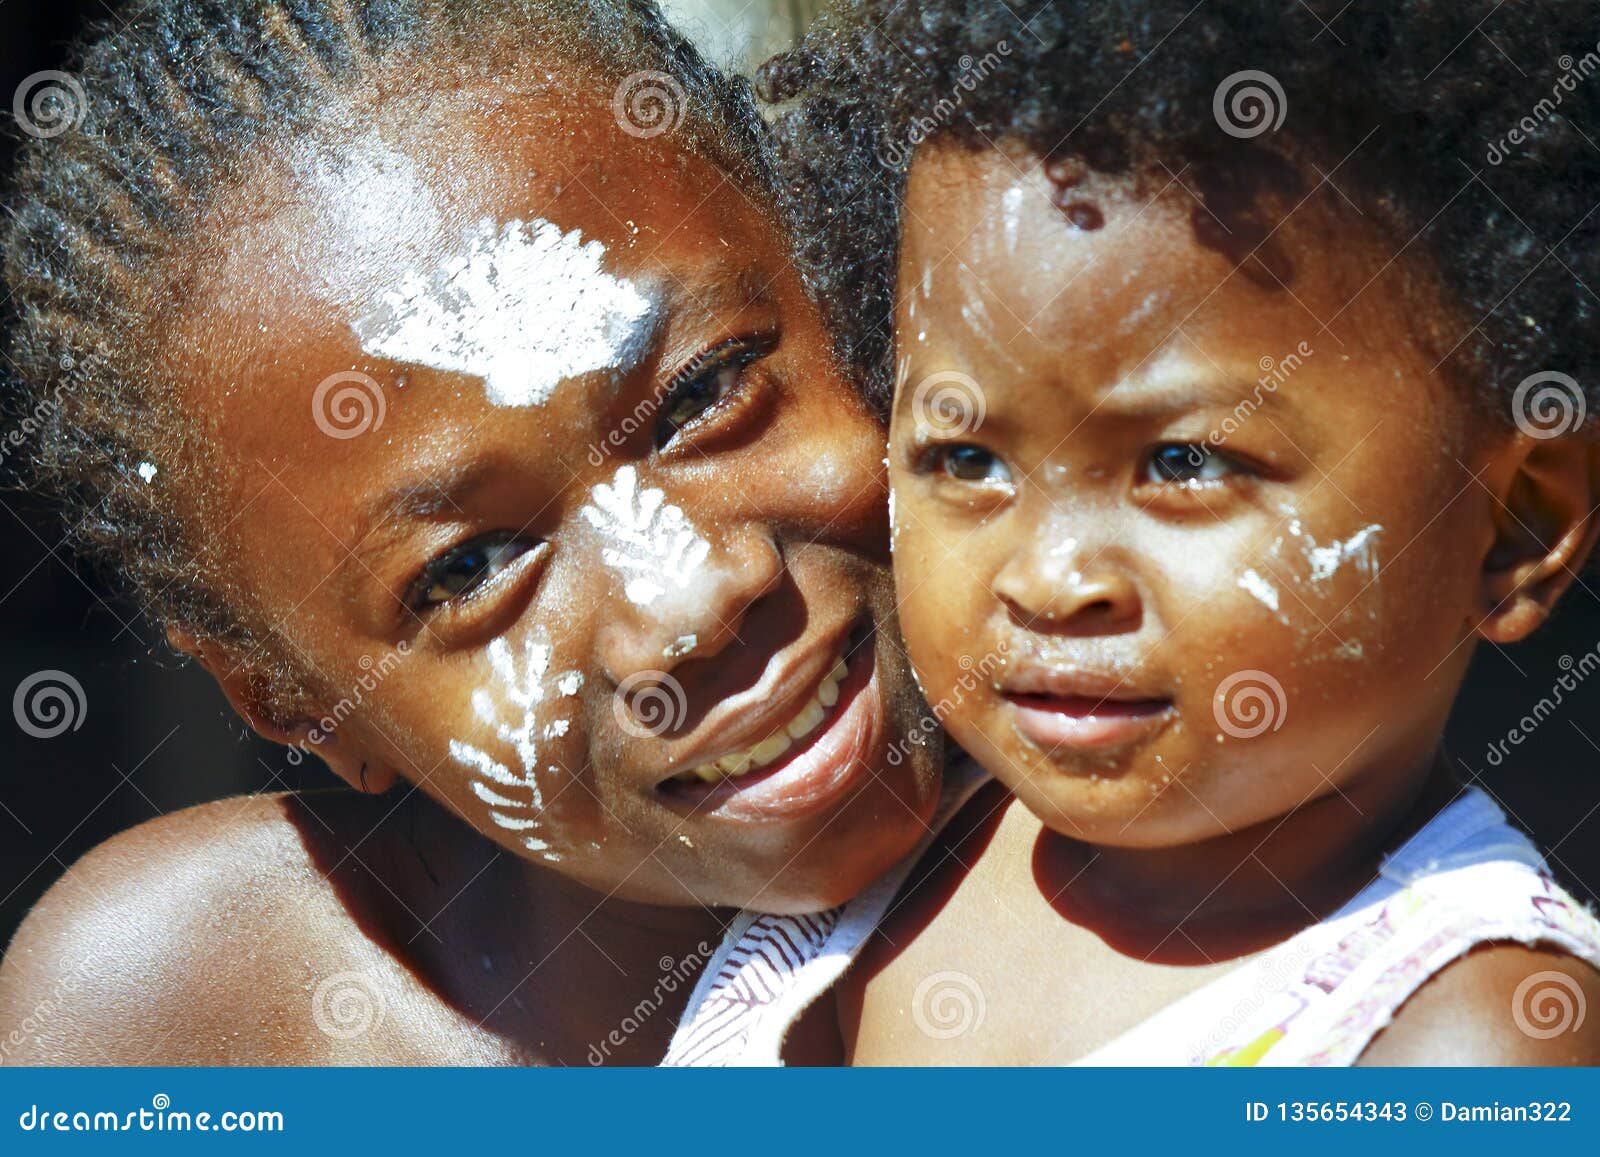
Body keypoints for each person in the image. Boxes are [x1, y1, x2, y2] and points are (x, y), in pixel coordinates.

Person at [0, 0, 941, 1065]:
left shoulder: (1144, 859)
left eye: (698, 395)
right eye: (468, 567)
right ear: (298, 703)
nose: (689, 598)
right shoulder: (189, 1021)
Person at [667, 0, 1600, 1066]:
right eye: (966, 460)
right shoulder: (875, 848)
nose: (1050, 579)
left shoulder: (1465, 1035)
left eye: (1184, 462)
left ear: (1514, 529)